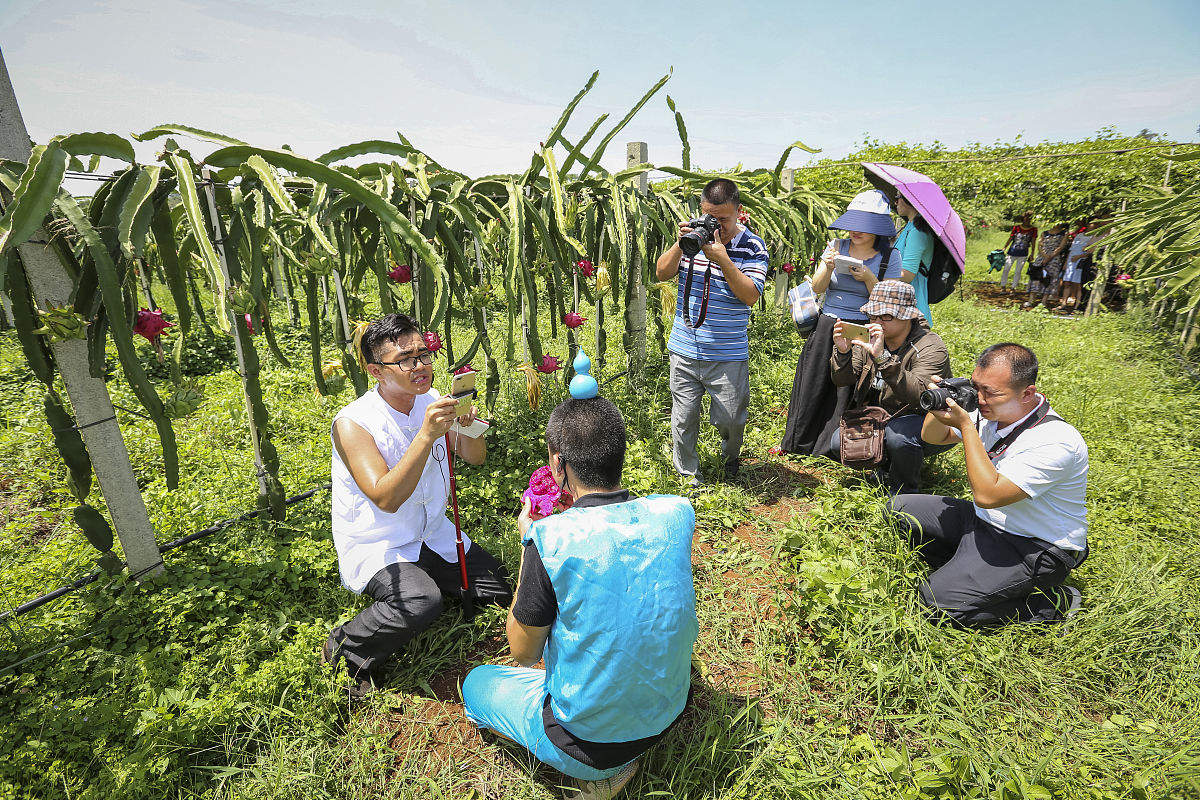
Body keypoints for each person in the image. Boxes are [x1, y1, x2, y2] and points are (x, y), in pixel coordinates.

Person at [462, 392, 697, 800]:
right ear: (620, 451)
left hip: (588, 745)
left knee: (477, 682)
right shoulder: (676, 512)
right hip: (670, 710)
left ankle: (603, 776)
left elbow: (523, 653)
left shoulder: (551, 539)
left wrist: (529, 545)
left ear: (558, 463)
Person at [323, 313, 512, 697]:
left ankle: (433, 581)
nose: (421, 366)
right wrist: (427, 434)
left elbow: (475, 457)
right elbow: (386, 498)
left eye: (423, 354)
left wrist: (466, 425)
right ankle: (347, 646)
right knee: (420, 602)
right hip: (382, 542)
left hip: (432, 532)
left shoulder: (430, 399)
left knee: (500, 589)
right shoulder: (353, 423)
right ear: (376, 371)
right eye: (406, 359)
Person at [887, 343, 1088, 629]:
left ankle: (1055, 603)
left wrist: (967, 427)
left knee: (935, 606)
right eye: (975, 386)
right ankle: (970, 573)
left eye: (990, 392)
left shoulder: (1056, 441)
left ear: (1027, 393)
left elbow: (987, 495)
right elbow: (933, 436)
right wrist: (941, 403)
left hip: (1035, 546)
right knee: (898, 511)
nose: (979, 399)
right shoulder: (991, 409)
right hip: (986, 523)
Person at [655, 178, 768, 486]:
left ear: (739, 212)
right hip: (684, 346)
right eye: (710, 217)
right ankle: (688, 475)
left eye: (723, 220)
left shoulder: (752, 246)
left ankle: (730, 457)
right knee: (684, 417)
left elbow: (751, 296)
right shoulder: (693, 238)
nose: (716, 226)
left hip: (727, 352)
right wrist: (681, 243)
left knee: (731, 418)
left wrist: (723, 259)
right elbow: (661, 273)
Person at [775, 190, 905, 456]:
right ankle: (797, 442)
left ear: (878, 230)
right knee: (812, 382)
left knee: (846, 388)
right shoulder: (836, 245)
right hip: (828, 322)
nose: (855, 232)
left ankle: (836, 447)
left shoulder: (891, 257)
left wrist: (869, 277)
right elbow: (818, 287)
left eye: (863, 228)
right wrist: (828, 266)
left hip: (862, 327)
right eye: (852, 225)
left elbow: (887, 302)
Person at [829, 280, 954, 494]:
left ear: (909, 316)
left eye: (886, 316)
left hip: (928, 420)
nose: (877, 322)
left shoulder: (930, 347)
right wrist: (843, 353)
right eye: (873, 315)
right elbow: (843, 380)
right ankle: (887, 467)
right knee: (836, 443)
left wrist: (882, 358)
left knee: (899, 438)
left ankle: (905, 492)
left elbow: (920, 396)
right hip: (884, 416)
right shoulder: (870, 338)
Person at [893, 195, 936, 326]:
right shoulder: (910, 226)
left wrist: (875, 274)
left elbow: (907, 275)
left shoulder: (917, 232)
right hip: (903, 304)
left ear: (908, 200)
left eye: (897, 197)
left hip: (911, 307)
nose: (895, 202)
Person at [1023, 223, 1070, 309]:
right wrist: (1044, 255)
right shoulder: (1044, 233)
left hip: (1054, 259)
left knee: (1049, 278)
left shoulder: (1064, 233)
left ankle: (1044, 301)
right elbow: (1040, 245)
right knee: (1036, 277)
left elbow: (1061, 247)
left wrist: (1050, 257)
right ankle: (1031, 300)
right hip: (1041, 257)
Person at [1057, 220, 1097, 311]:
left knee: (1078, 284)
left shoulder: (1093, 237)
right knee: (1067, 282)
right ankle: (1064, 303)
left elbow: (1089, 253)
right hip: (1071, 262)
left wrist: (1079, 257)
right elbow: (1071, 249)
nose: (1093, 225)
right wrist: (1066, 262)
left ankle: (1077, 304)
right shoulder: (1079, 235)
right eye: (1092, 223)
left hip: (1080, 262)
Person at [1000, 212, 1038, 293]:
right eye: (1026, 218)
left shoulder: (1033, 230)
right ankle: (1003, 286)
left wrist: (1032, 254)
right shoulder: (1016, 228)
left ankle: (1013, 288)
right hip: (1012, 252)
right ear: (1022, 219)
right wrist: (1004, 247)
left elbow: (1033, 242)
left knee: (1018, 271)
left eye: (1030, 218)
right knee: (1006, 269)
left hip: (1023, 253)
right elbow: (1010, 238)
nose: (1028, 220)